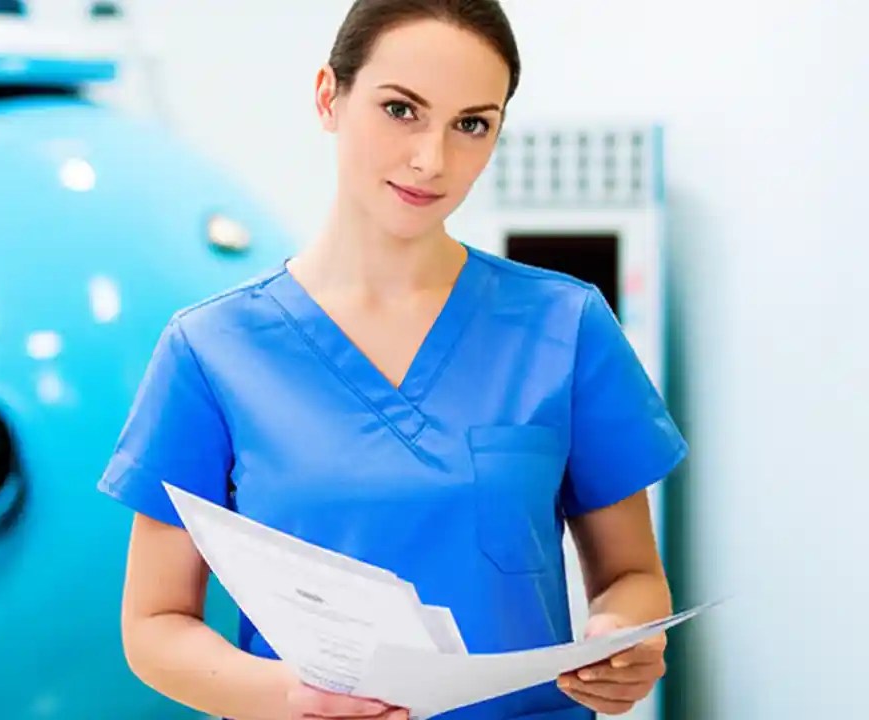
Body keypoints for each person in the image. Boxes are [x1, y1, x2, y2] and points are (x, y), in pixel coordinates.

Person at [96, 0, 688, 718]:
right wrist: (293, 698)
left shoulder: (566, 327)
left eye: (472, 124)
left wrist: (622, 641)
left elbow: (632, 576)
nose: (431, 160)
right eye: (401, 110)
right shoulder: (211, 351)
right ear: (328, 97)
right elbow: (155, 627)